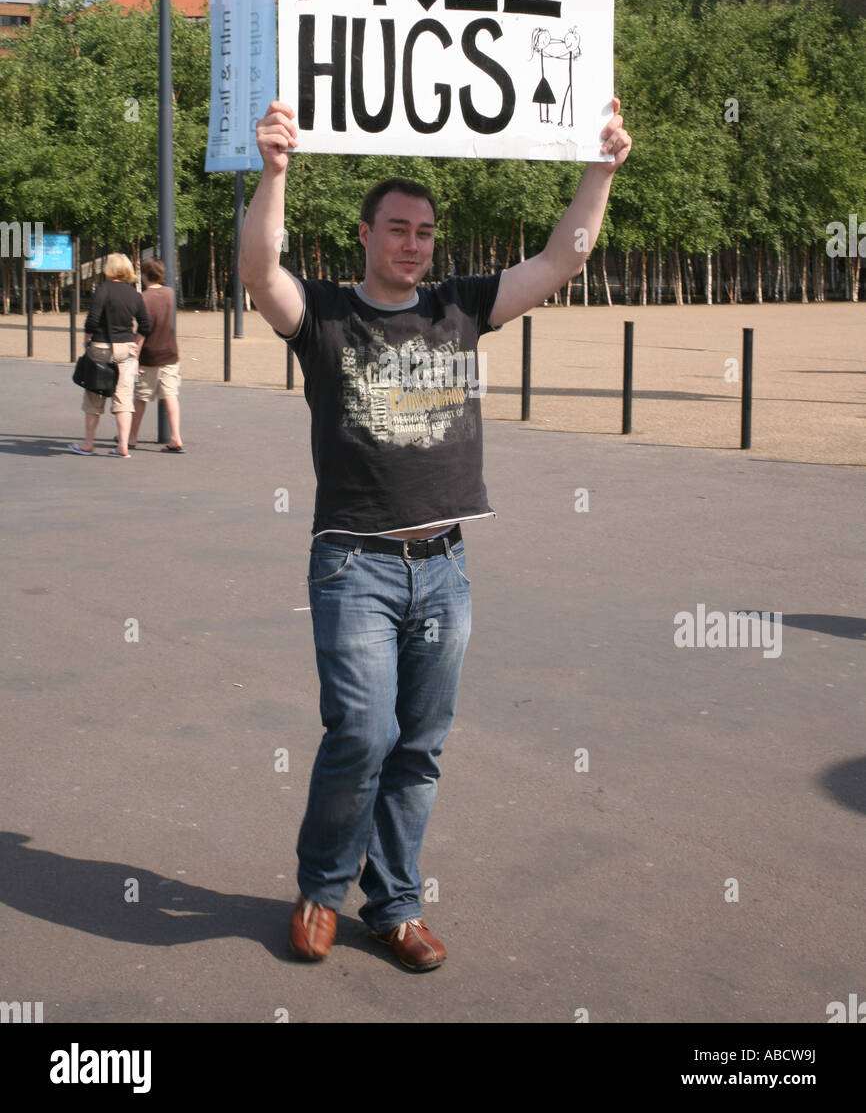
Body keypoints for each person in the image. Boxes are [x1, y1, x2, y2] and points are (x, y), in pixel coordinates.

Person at [239, 98, 632, 971]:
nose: (412, 242)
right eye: (396, 228)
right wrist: (275, 172)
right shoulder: (328, 317)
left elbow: (559, 262)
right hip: (354, 565)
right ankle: (321, 888)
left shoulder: (461, 308)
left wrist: (598, 172)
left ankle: (397, 905)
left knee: (419, 747)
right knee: (362, 735)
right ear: (366, 234)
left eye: (422, 230)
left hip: (445, 566)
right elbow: (261, 273)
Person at [69, 253, 150, 458]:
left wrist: (87, 340)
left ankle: (88, 443)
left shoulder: (103, 290)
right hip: (126, 348)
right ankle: (123, 445)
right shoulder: (135, 295)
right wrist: (136, 348)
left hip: (102, 347)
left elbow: (92, 320)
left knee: (93, 396)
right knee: (123, 398)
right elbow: (145, 325)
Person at [128, 257, 184, 453]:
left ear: (144, 275)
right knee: (171, 395)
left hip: (150, 355)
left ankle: (132, 436)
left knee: (141, 397)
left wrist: (135, 356)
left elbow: (143, 329)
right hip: (170, 351)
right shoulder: (169, 293)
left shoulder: (142, 298)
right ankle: (176, 436)